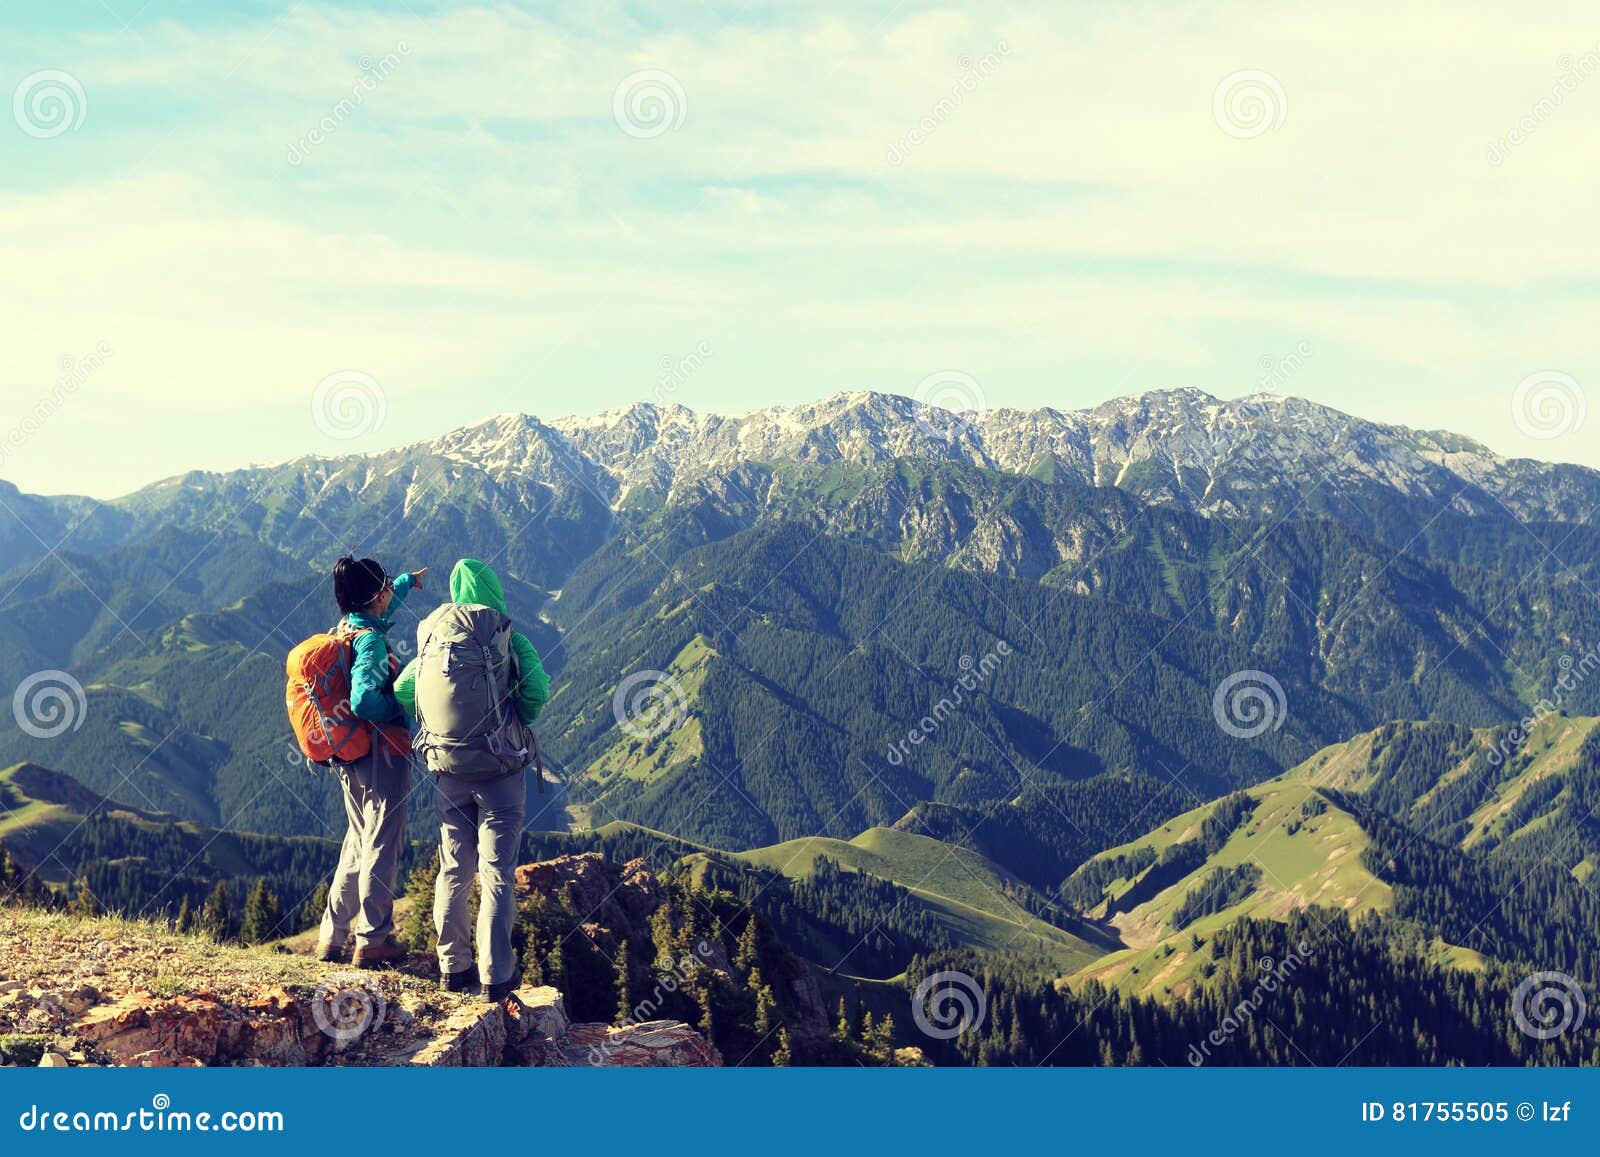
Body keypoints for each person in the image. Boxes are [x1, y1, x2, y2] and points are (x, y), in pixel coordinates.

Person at [395, 558, 549, 1002]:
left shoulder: (434, 637)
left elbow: (405, 692)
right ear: (494, 592)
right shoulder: (508, 638)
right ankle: (496, 977)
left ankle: (452, 969)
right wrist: (511, 713)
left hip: (448, 770)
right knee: (497, 873)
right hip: (500, 773)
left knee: (454, 870)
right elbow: (537, 695)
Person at [315, 555, 428, 970]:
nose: (388, 595)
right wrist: (397, 704)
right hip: (382, 752)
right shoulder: (371, 642)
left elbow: (382, 607)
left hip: (349, 753)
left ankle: (332, 937)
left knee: (358, 841)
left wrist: (403, 582)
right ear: (374, 595)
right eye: (385, 589)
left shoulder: (347, 627)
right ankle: (373, 938)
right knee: (382, 841)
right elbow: (364, 699)